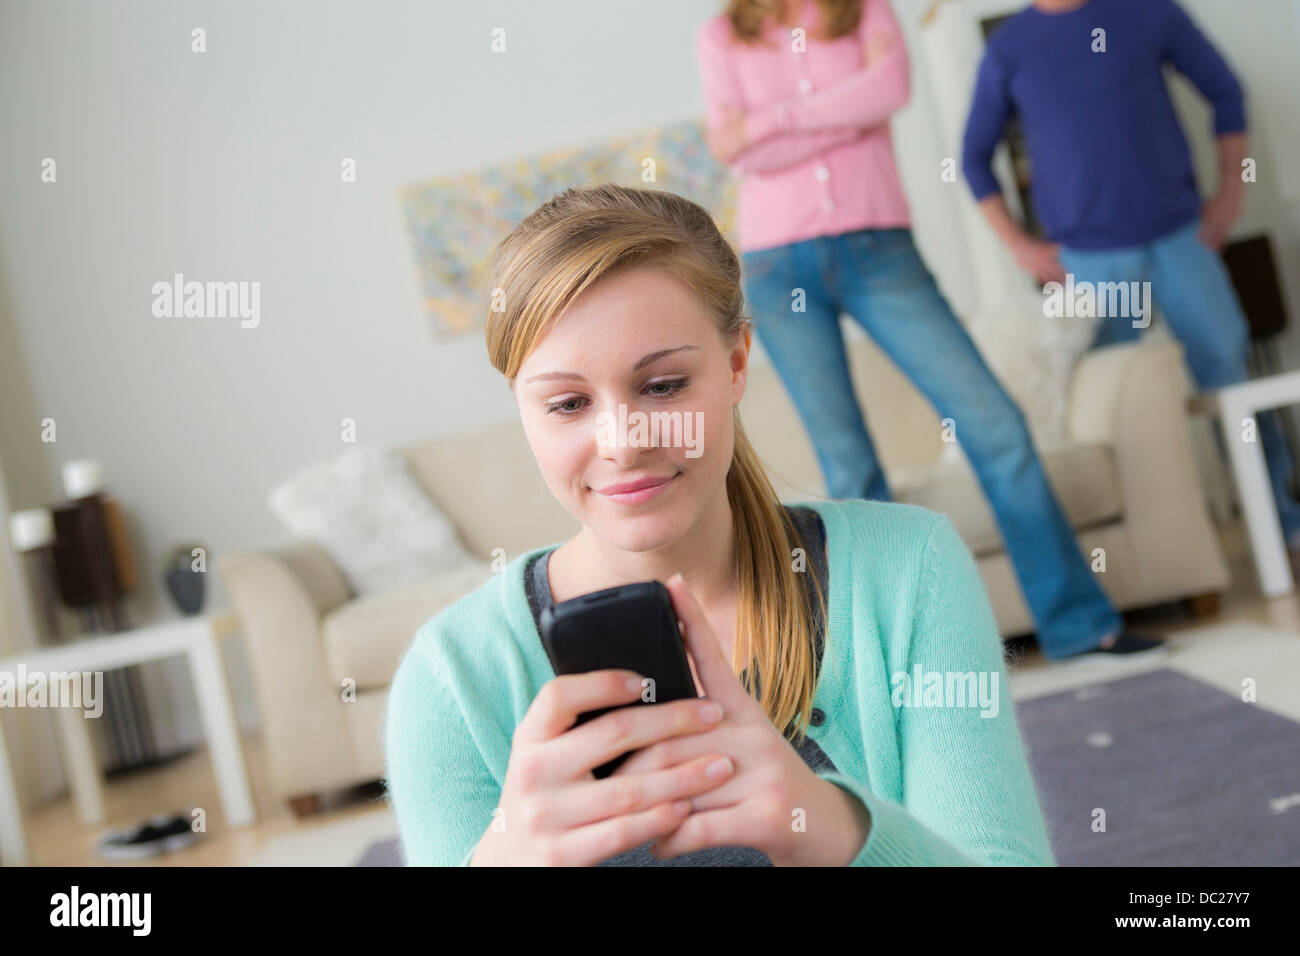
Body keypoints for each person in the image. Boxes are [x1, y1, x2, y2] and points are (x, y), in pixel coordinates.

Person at [384, 183, 1055, 867]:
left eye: (664, 386)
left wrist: (833, 827)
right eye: (566, 403)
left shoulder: (910, 569)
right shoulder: (451, 680)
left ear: (736, 365)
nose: (622, 442)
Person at [696, 0, 1157, 657]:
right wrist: (843, 108)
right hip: (777, 266)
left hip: (881, 250)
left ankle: (1081, 626)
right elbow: (727, 145)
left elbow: (888, 92)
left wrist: (772, 125)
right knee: (848, 464)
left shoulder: (866, 10)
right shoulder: (722, 35)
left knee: (994, 424)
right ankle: (900, 663)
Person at [962, 0, 1300, 546]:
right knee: (1108, 407)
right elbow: (973, 157)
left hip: (1180, 241)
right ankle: (1148, 549)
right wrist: (1019, 246)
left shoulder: (1148, 11)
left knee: (1231, 381)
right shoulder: (1010, 46)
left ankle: (1285, 527)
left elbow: (1226, 90)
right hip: (1088, 265)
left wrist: (1232, 190)